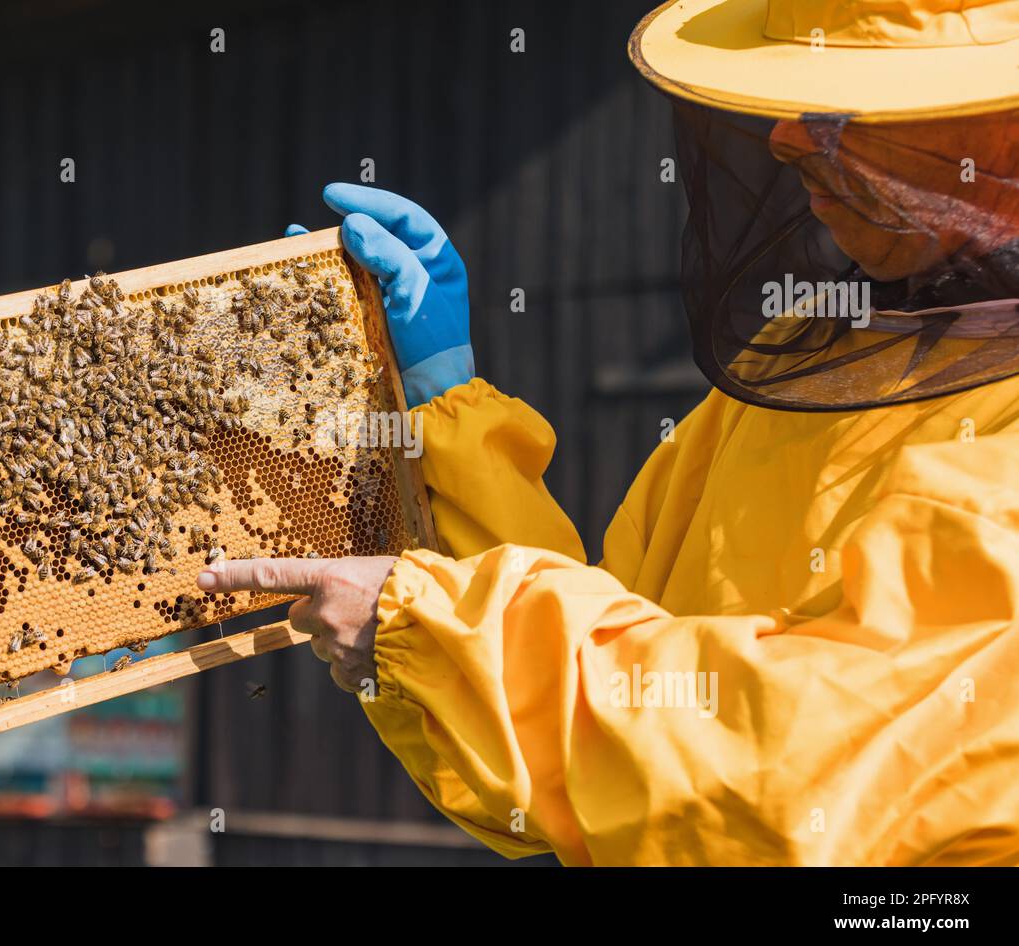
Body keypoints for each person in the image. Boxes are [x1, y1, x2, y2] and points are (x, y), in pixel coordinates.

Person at [199, 0, 1019, 864]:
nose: (784, 137)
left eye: (845, 107)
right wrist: (440, 403)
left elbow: (810, 774)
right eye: (793, 97)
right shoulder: (813, 360)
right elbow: (610, 689)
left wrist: (434, 630)